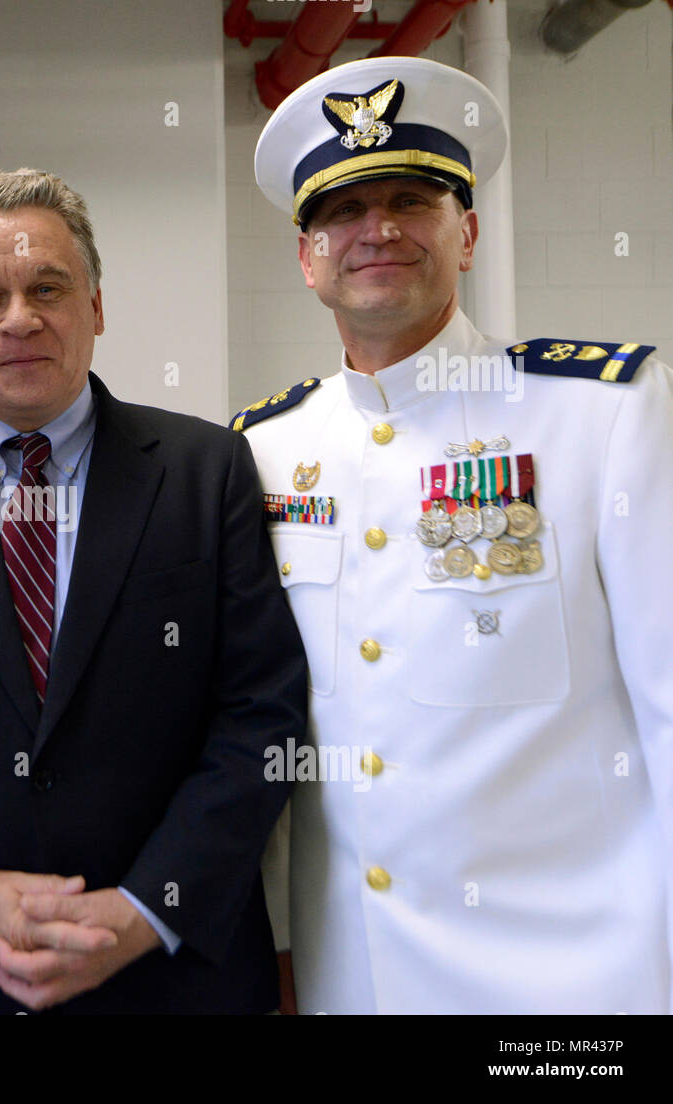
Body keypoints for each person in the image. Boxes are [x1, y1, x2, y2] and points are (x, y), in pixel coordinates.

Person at [0, 168, 308, 1014]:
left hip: (174, 976)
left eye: (47, 287)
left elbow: (262, 715)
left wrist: (146, 911)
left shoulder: (206, 471)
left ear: (97, 309)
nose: (19, 318)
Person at [236, 56, 673, 1013]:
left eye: (411, 200)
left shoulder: (600, 414)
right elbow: (264, 722)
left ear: (465, 233)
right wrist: (268, 940)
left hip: (578, 983)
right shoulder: (263, 451)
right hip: (354, 972)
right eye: (342, 212)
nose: (377, 230)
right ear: (306, 258)